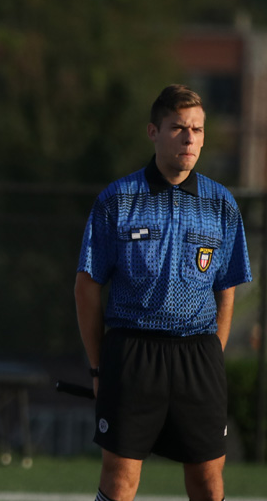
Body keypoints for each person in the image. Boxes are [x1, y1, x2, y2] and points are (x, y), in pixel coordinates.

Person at [75, 84, 252, 501]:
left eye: (197, 129)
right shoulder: (117, 199)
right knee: (120, 482)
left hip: (198, 357)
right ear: (153, 131)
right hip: (132, 353)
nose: (189, 138)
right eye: (178, 128)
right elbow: (87, 286)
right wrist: (100, 367)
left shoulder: (222, 204)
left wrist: (213, 352)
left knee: (209, 482)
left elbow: (226, 288)